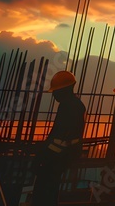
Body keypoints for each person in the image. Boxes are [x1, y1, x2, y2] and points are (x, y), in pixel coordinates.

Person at [33, 71, 85, 206]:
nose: (54, 94)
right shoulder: (75, 104)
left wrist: (42, 155)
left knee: (44, 185)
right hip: (67, 151)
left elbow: (58, 135)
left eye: (56, 91)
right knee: (49, 186)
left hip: (63, 153)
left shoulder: (68, 106)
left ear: (65, 90)